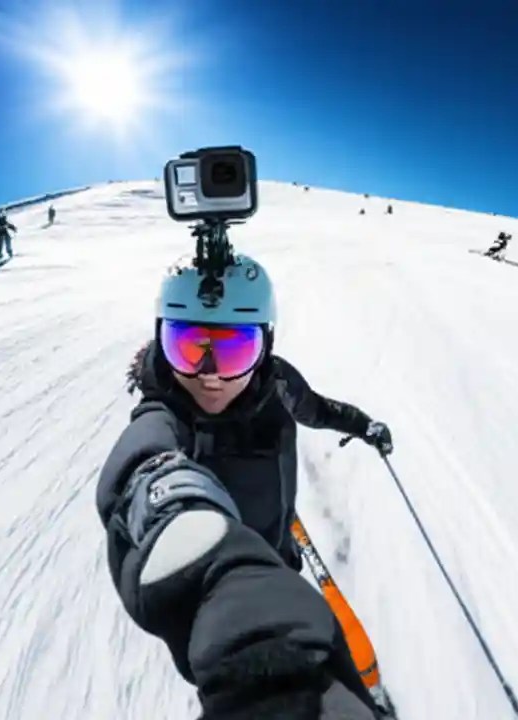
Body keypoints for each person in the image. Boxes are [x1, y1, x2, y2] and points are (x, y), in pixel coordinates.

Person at [97, 255, 395, 717]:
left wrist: (362, 424)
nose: (210, 373)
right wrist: (207, 564)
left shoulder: (277, 384)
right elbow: (143, 473)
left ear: (264, 348)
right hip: (242, 579)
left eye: (234, 350)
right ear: (160, 339)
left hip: (279, 551)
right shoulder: (165, 415)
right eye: (188, 347)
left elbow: (318, 409)